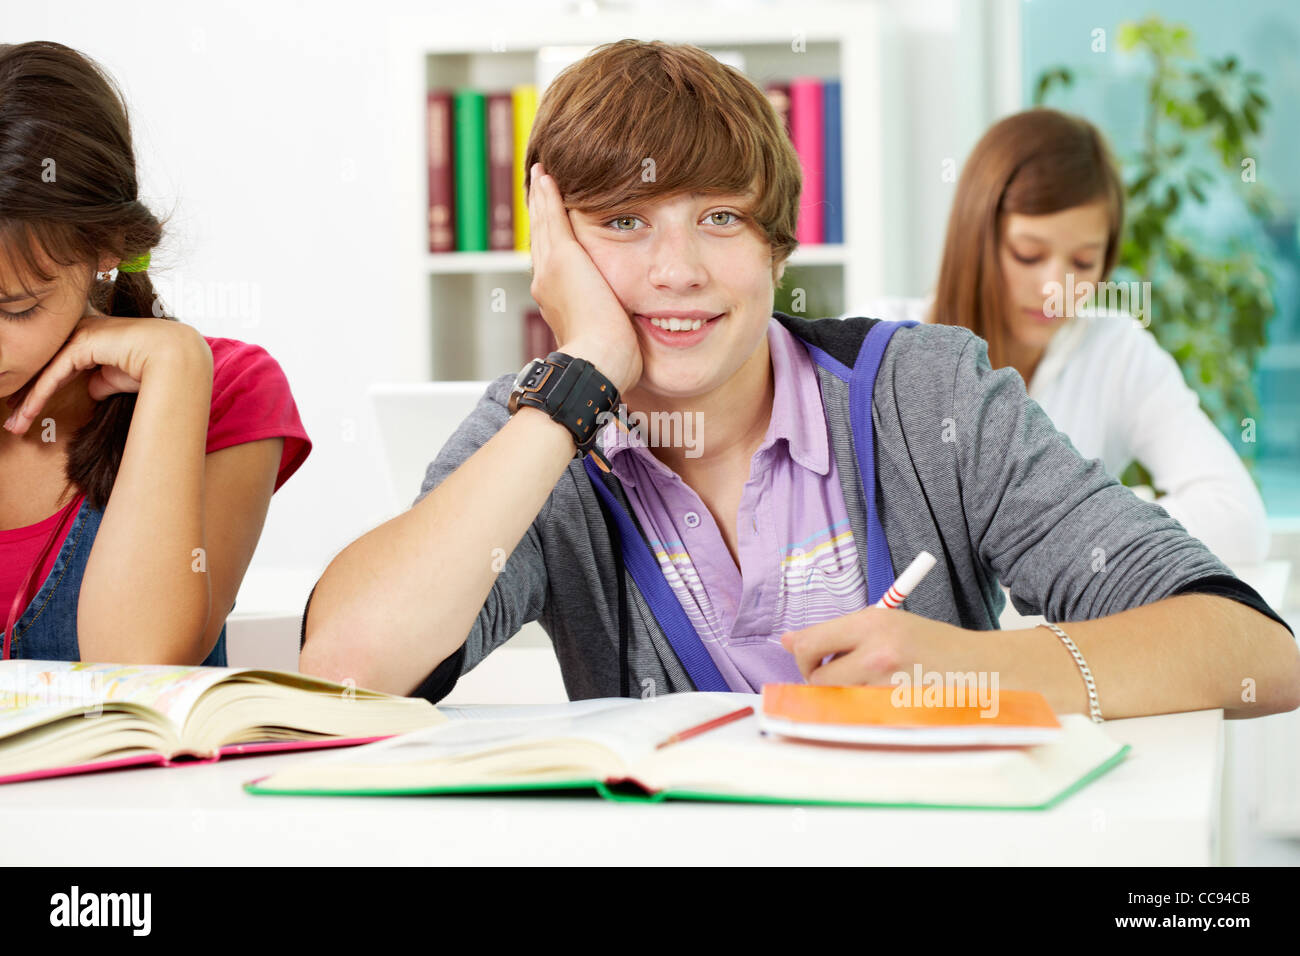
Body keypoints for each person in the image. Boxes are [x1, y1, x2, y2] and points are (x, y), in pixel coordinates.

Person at [300, 40, 1299, 720]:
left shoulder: (926, 393)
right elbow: (345, 670)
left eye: (720, 218)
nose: (677, 269)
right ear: (554, 251)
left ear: (777, 244)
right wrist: (577, 386)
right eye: (621, 223)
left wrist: (983, 671)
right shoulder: (544, 432)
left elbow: (1255, 651)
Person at [0, 41, 311, 664]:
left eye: (17, 308)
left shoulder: (230, 388)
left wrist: (176, 369)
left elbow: (139, 671)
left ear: (108, 248)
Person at [859, 108, 1269, 567]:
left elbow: (1240, 526)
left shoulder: (1118, 351)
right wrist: (1092, 524)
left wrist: (1075, 522)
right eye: (1028, 255)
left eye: (1083, 262)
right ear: (974, 238)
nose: (1057, 289)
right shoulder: (880, 344)